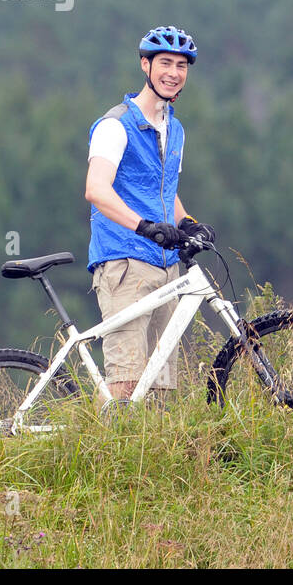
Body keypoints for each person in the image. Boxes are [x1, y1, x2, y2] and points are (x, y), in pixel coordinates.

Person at [84, 26, 216, 402]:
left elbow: (164, 192)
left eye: (181, 65)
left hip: (166, 267)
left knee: (158, 389)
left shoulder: (174, 128)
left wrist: (187, 223)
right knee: (125, 383)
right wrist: (144, 227)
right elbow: (96, 189)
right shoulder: (116, 125)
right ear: (145, 65)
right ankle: (95, 452)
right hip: (124, 262)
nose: (173, 72)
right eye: (164, 63)